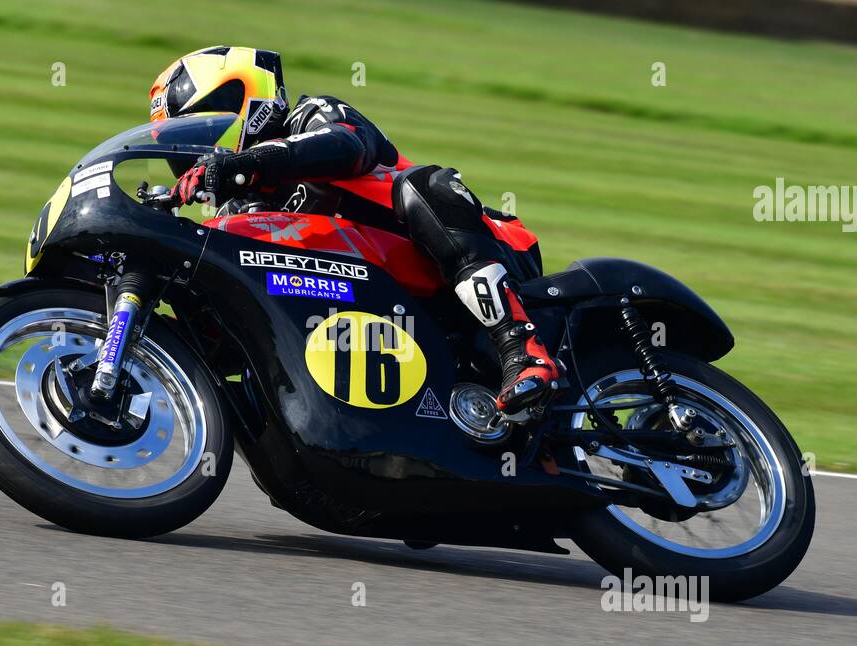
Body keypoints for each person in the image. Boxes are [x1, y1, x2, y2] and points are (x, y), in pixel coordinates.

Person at [150, 46, 559, 415]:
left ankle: (521, 347)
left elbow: (349, 146)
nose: (193, 157)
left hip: (488, 251)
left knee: (425, 185)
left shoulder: (312, 117)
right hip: (396, 322)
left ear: (247, 101)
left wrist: (244, 165)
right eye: (180, 146)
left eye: (199, 135)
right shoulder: (242, 216)